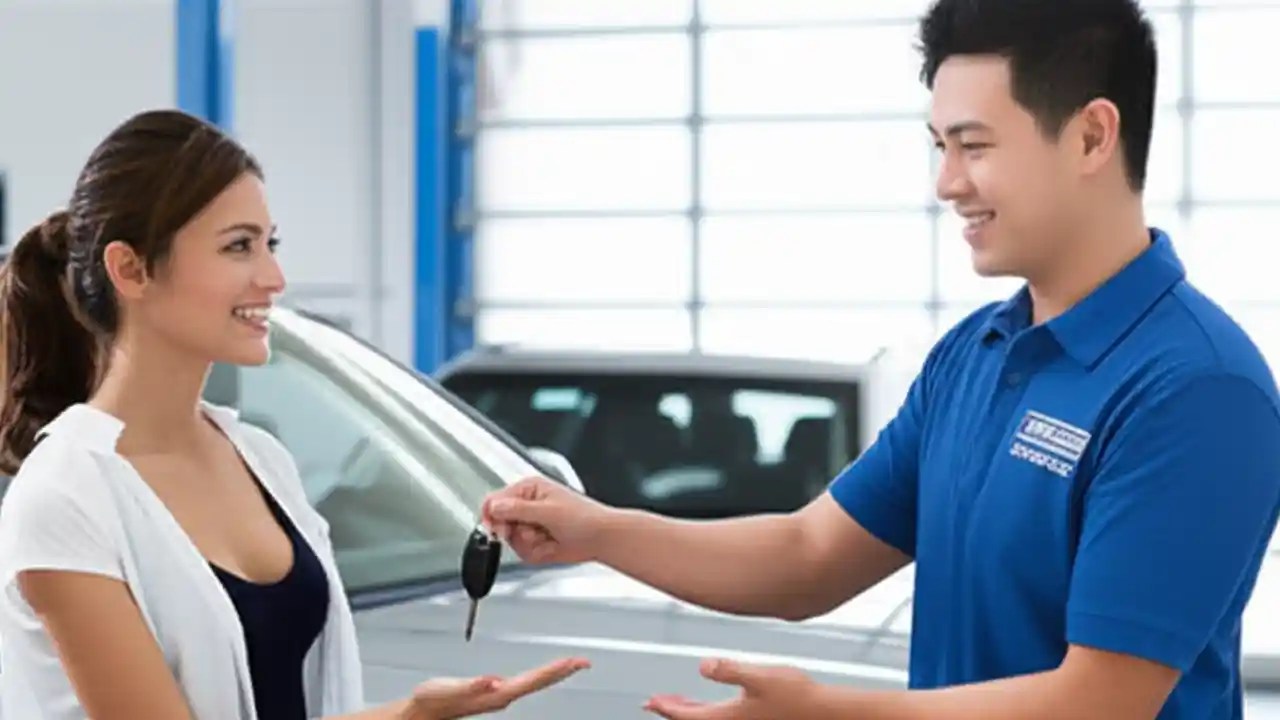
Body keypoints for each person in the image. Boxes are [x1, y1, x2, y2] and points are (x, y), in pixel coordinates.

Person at [482, 1, 1280, 718]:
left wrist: (830, 716)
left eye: (973, 146)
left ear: (1092, 136)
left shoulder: (1198, 391)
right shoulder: (974, 355)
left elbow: (1101, 702)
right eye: (939, 147)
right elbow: (809, 556)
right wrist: (600, 531)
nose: (946, 183)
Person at [0, 109, 588, 719]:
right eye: (238, 246)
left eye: (269, 244)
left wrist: (412, 713)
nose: (274, 277)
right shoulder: (64, 496)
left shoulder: (258, 457)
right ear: (131, 269)